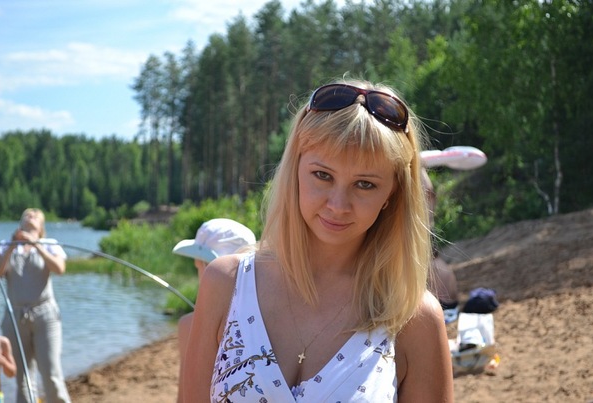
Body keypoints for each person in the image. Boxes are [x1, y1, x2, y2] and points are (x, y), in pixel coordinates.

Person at [182, 79, 453, 402]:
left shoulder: (414, 318)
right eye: (323, 175)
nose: (338, 205)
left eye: (365, 184)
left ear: (392, 194)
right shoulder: (226, 284)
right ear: (295, 168)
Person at [172, 218, 257, 403]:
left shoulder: (188, 325)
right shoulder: (269, 320)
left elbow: (184, 398)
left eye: (197, 266)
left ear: (207, 267)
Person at [0, 208, 71, 403]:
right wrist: (12, 246)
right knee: (23, 380)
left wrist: (36, 245)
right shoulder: (6, 246)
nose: (30, 216)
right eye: (27, 215)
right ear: (20, 223)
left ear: (41, 226)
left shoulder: (50, 244)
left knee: (52, 375)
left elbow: (59, 268)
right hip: (15, 318)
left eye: (35, 216)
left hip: (45, 316)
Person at [421, 167, 459, 322]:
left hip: (422, 228)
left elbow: (428, 195)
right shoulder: (421, 174)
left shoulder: (419, 174)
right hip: (425, 228)